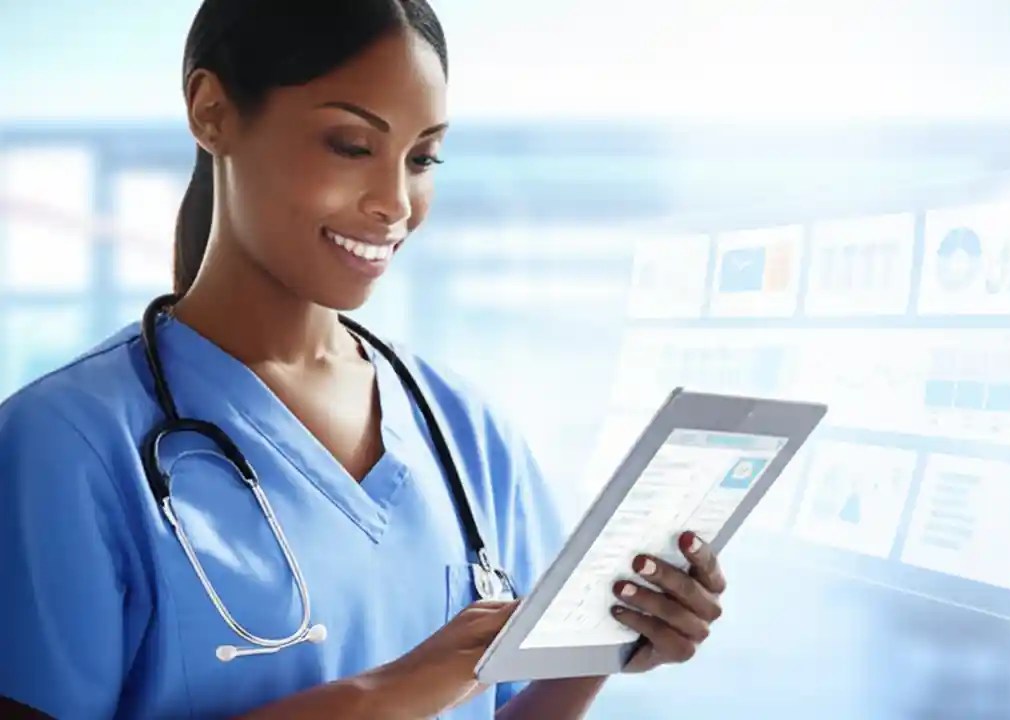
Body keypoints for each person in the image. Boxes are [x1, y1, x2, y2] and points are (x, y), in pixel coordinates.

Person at [0, 1, 728, 718]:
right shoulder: (66, 444)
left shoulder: (467, 433)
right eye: (351, 146)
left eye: (422, 158)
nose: (395, 203)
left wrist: (604, 647)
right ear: (212, 112)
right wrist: (384, 697)